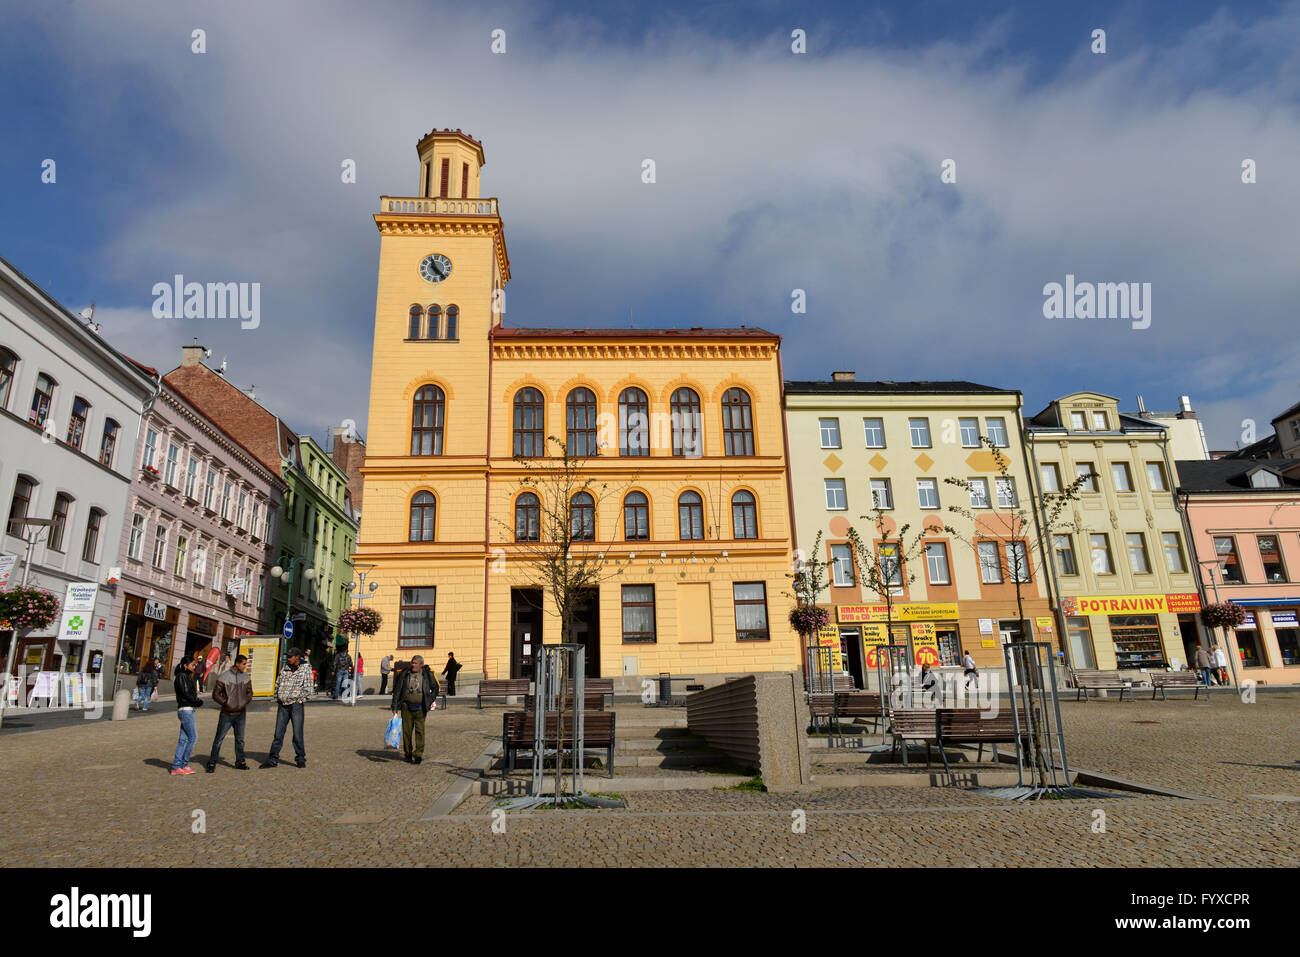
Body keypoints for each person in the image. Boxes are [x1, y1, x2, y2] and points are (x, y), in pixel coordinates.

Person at [261, 647, 314, 768]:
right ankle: (272, 759)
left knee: (297, 733)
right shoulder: (285, 669)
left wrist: (297, 699)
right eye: (288, 656)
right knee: (278, 734)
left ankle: (300, 758)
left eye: (290, 656)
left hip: (296, 705)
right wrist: (278, 697)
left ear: (297, 657)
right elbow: (278, 683)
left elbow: (309, 689)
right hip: (283, 705)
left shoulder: (305, 669)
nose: (288, 658)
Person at [205, 655, 252, 772]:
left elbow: (250, 692)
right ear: (237, 664)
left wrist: (244, 702)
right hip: (227, 714)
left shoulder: (246, 677)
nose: (245, 666)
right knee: (219, 739)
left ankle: (240, 762)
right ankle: (212, 763)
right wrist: (227, 703)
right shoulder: (224, 676)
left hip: (241, 714)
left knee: (240, 740)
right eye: (244, 664)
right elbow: (216, 694)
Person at [390, 655, 440, 764]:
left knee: (420, 732)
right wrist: (394, 706)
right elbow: (397, 690)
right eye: (412, 663)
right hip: (406, 707)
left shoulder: (427, 674)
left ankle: (418, 754)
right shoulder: (405, 674)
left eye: (415, 663)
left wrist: (429, 700)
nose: (413, 665)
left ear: (421, 664)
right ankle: (408, 754)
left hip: (421, 708)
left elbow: (435, 688)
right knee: (407, 732)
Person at [170, 656, 204, 775]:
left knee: (183, 739)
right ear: (185, 665)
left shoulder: (186, 676)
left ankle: (177, 767)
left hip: (187, 709)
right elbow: (185, 693)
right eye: (192, 665)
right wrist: (196, 701)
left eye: (195, 665)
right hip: (186, 709)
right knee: (193, 737)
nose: (194, 667)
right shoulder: (182, 676)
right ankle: (183, 764)